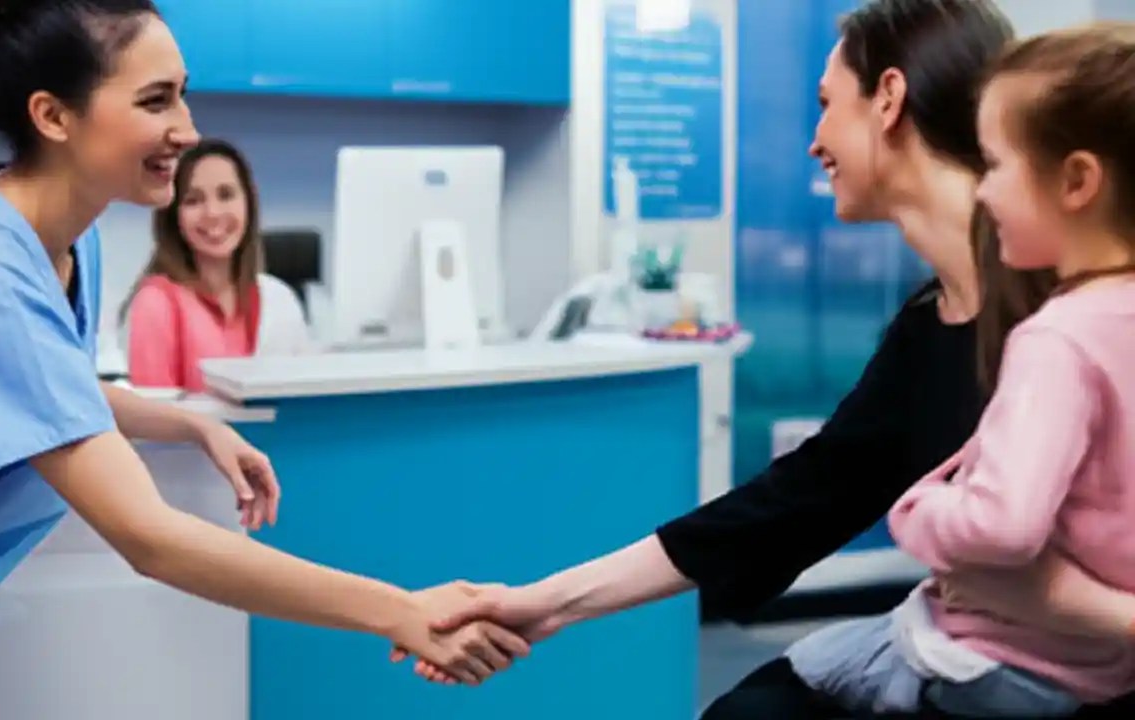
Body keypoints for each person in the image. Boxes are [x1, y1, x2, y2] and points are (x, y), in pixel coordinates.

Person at [398, 1, 1135, 717]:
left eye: (825, 102)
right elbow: (801, 498)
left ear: (888, 98)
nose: (814, 140)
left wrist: (1069, 605)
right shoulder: (931, 326)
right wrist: (546, 603)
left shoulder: (1084, 322)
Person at [0, 2, 524, 717]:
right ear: (53, 116)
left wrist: (195, 425)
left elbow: (51, 389)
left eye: (182, 92)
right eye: (156, 100)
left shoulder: (65, 240)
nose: (189, 128)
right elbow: (149, 537)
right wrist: (399, 612)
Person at [782, 22, 1135, 717]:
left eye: (998, 165)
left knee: (802, 676)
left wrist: (919, 512)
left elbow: (1002, 529)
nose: (985, 192)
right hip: (1104, 667)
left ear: (1076, 181)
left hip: (1007, 668)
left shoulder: (1056, 339)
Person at [122, 138, 314, 392]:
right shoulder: (155, 304)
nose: (212, 212)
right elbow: (153, 423)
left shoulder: (279, 299)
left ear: (249, 203)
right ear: (172, 215)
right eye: (193, 200)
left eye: (226, 195)